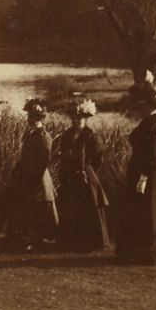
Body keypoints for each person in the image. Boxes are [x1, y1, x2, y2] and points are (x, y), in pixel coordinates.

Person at [115, 73, 156, 266]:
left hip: (148, 172)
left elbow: (151, 154)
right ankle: (142, 252)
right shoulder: (153, 122)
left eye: (140, 106)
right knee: (145, 211)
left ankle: (150, 253)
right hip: (147, 171)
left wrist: (143, 178)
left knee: (149, 212)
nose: (137, 110)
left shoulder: (154, 125)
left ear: (146, 106)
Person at [56, 98, 111, 252]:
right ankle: (70, 241)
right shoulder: (67, 135)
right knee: (70, 207)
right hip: (69, 175)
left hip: (85, 176)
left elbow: (97, 158)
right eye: (73, 118)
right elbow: (64, 155)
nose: (76, 121)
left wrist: (87, 170)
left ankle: (89, 242)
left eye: (79, 118)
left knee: (87, 208)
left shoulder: (91, 136)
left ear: (86, 119)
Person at [13, 98, 58, 250]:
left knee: (40, 206)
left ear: (38, 118)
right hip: (29, 175)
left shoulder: (44, 136)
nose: (28, 119)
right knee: (31, 207)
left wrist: (34, 178)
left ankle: (40, 239)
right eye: (29, 116)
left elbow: (44, 161)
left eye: (31, 116)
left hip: (39, 177)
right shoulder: (31, 134)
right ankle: (32, 238)